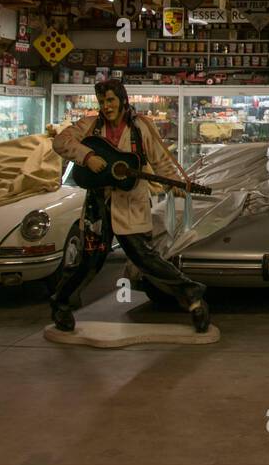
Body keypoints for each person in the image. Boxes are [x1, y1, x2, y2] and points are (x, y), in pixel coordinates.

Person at [49, 78, 211, 334]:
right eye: (102, 101)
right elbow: (60, 142)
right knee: (89, 262)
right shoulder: (90, 125)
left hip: (131, 203)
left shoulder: (141, 127)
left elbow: (161, 160)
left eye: (111, 100)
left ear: (122, 100)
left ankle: (193, 297)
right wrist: (87, 157)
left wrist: (175, 183)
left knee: (145, 258)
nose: (106, 106)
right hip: (98, 206)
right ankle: (61, 304)